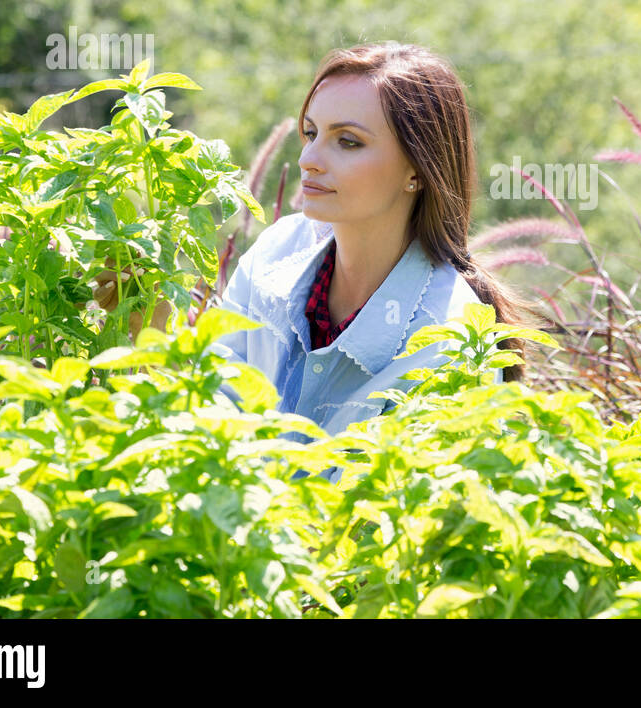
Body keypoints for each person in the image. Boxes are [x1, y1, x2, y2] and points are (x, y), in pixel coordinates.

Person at [199, 42, 542, 482]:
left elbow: (396, 525)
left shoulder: (450, 341)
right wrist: (148, 322)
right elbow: (206, 417)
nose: (309, 160)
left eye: (347, 142)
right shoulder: (276, 251)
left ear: (417, 170)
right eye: (310, 134)